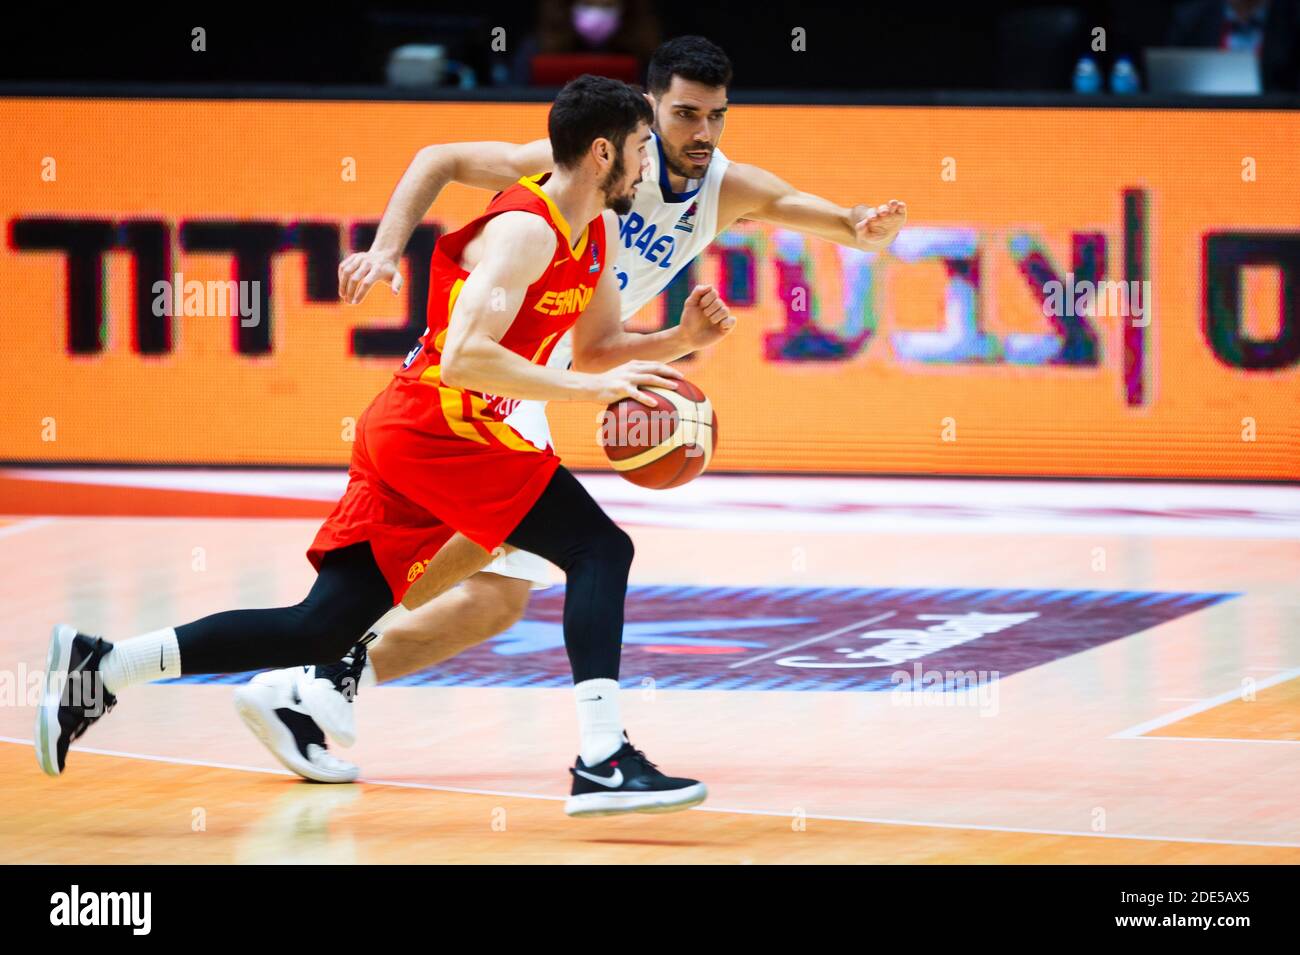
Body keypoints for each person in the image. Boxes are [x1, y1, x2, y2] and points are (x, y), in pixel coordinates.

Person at [36, 74, 736, 818]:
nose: (647, 161)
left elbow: (596, 348)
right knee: (600, 549)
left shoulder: (592, 230)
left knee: (323, 624)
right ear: (603, 153)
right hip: (439, 425)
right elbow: (464, 356)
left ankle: (102, 665)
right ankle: (601, 757)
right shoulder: (525, 230)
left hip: (426, 429)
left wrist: (680, 341)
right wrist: (581, 394)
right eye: (639, 147)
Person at [243, 35, 909, 782]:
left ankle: (311, 683)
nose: (703, 133)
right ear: (649, 111)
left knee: (493, 602)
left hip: (557, 374)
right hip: (497, 370)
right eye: (686, 115)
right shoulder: (589, 160)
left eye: (717, 117)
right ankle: (333, 663)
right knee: (565, 547)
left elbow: (798, 208)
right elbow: (438, 158)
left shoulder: (725, 186)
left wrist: (858, 227)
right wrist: (388, 249)